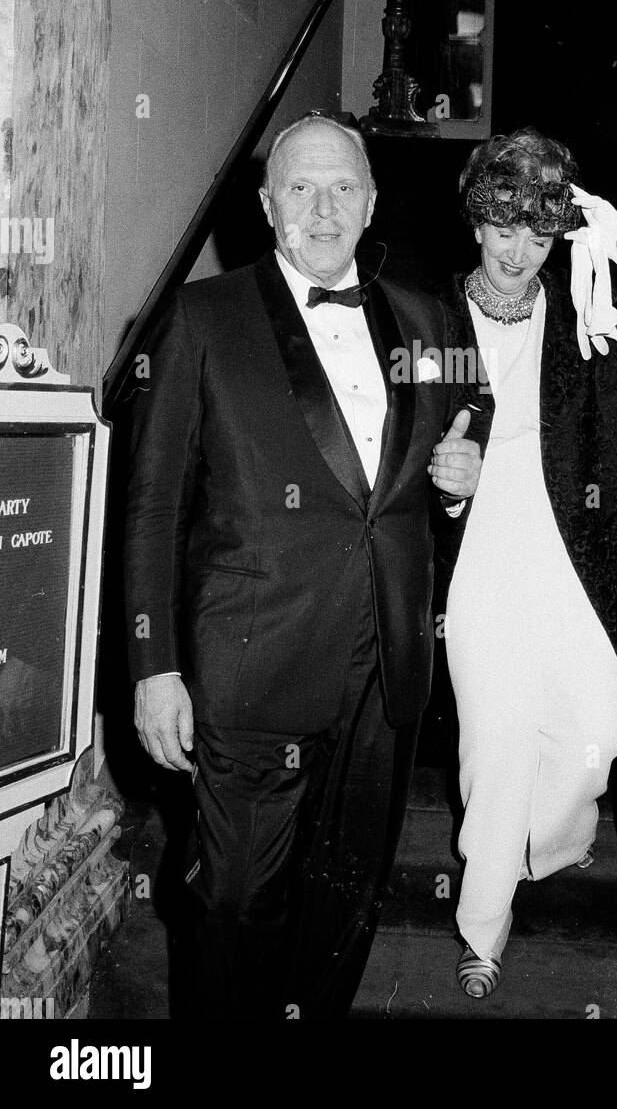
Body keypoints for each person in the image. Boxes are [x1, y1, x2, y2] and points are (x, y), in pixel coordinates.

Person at [124, 111, 481, 1020]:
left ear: (371, 202)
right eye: (301, 188)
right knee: (233, 900)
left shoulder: (428, 315)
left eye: (342, 188)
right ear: (267, 205)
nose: (324, 210)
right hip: (250, 669)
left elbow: (458, 432)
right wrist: (153, 665)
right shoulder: (200, 319)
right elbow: (154, 506)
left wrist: (458, 481)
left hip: (385, 668)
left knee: (344, 902)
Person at [435, 127, 617, 998]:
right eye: (500, 226)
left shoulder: (588, 307)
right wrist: (444, 483)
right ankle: (483, 924)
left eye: (539, 233)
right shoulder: (425, 312)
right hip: (476, 548)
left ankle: (545, 842)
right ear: (475, 221)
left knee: (596, 738)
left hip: (575, 548)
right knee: (497, 736)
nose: (518, 251)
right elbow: (380, 445)